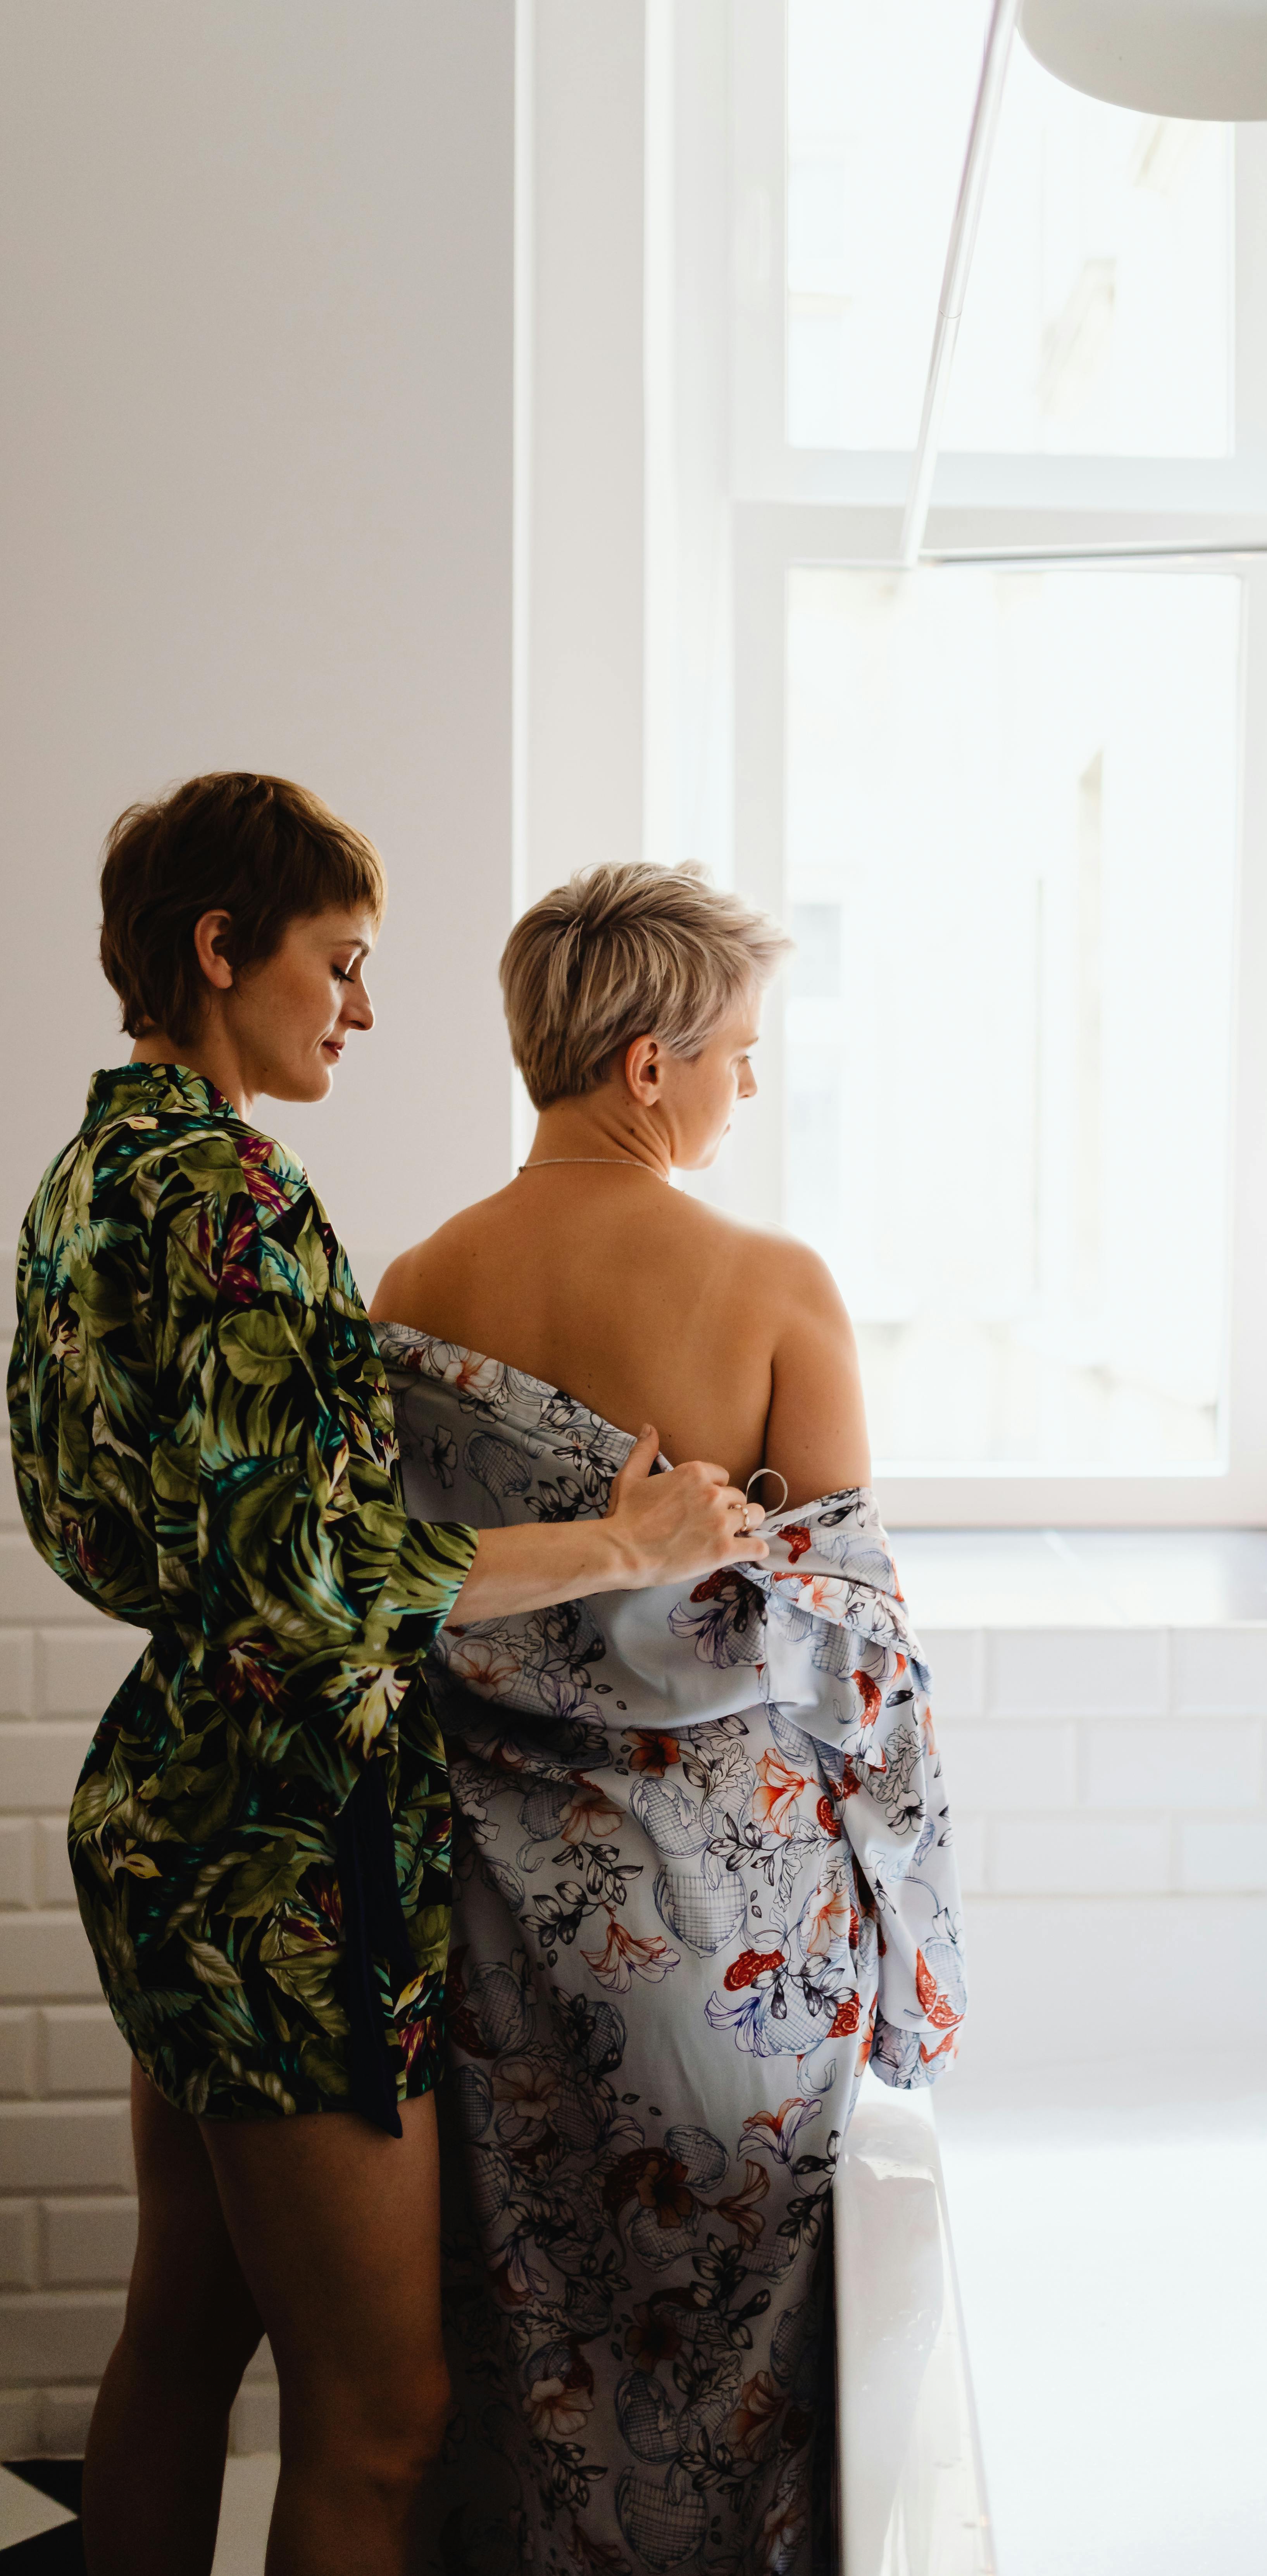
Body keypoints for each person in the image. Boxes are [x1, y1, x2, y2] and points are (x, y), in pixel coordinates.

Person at [7, 779, 769, 2576]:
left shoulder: (83, 1179)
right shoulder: (231, 1196)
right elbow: (329, 1573)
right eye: (340, 964)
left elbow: (103, 1522)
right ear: (221, 950)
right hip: (282, 1853)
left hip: (167, 1802)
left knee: (184, 2337)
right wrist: (632, 1547)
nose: (361, 1008)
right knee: (381, 2415)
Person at [371, 860, 965, 2576]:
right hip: (734, 1944)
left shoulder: (413, 1284)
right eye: (740, 1052)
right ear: (650, 1064)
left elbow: (412, 1605)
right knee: (736, 2370)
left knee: (534, 2340)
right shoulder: (776, 1287)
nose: (750, 1086)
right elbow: (862, 1666)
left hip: (498, 1924)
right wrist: (920, 1956)